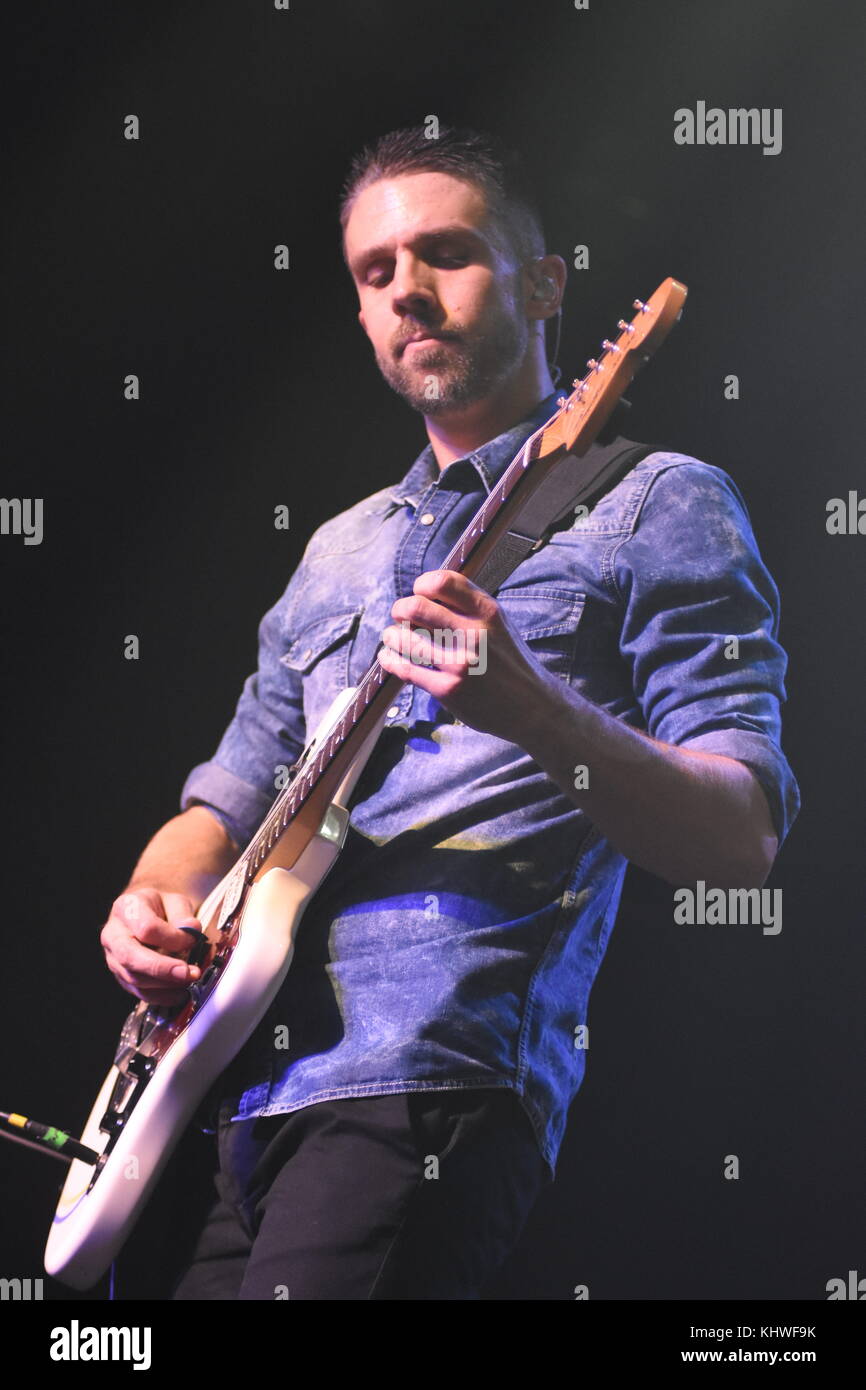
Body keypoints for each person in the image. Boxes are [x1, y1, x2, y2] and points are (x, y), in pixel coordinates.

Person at [99, 125, 800, 1300]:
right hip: (219, 1093)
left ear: (543, 285)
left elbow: (738, 835)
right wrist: (147, 900)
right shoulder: (336, 552)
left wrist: (527, 706)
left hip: (422, 1076)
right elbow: (221, 802)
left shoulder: (658, 501)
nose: (405, 291)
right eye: (373, 273)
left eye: (444, 253)